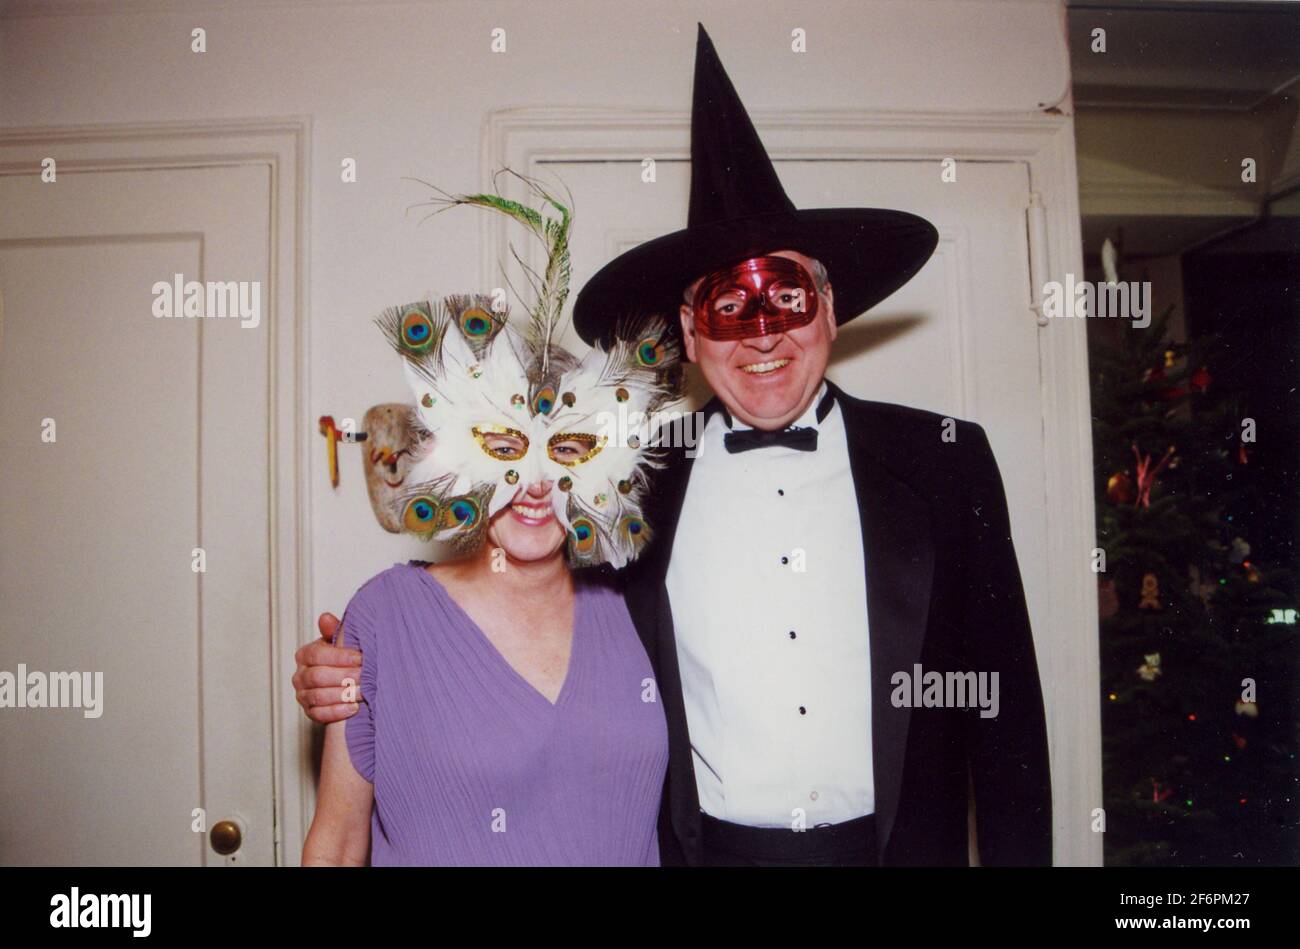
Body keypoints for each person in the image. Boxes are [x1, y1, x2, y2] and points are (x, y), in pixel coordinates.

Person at [298, 25, 1052, 867]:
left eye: (788, 297)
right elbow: (503, 624)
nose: (761, 336)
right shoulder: (634, 480)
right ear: (690, 333)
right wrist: (346, 677)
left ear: (832, 310)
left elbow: (1007, 714)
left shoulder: (945, 462)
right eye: (728, 307)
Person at [301, 183, 681, 865]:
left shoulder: (639, 605)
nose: (535, 483)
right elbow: (337, 838)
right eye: (507, 448)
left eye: (565, 449)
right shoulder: (385, 617)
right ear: (462, 465)